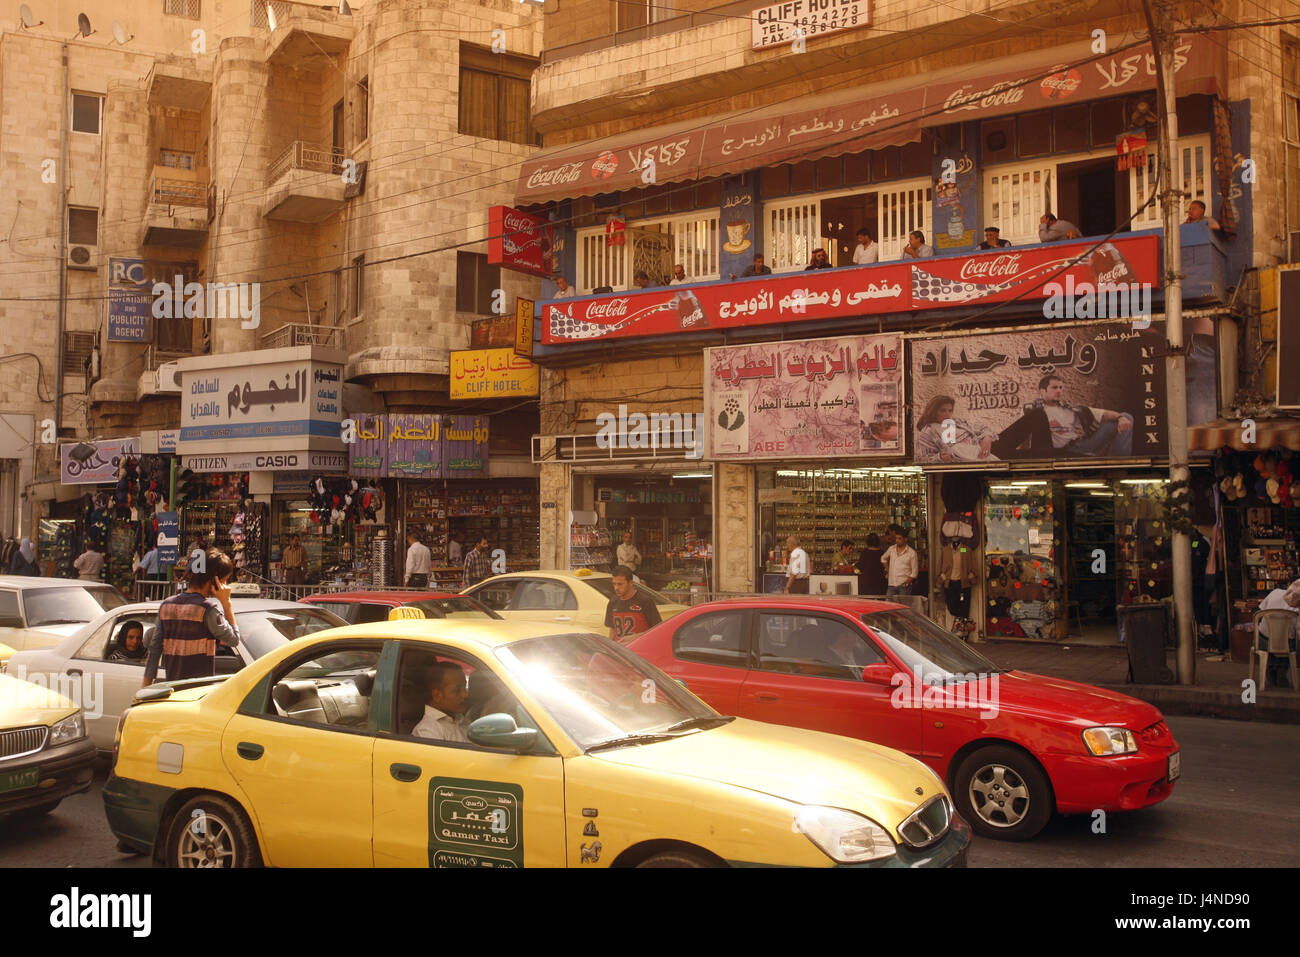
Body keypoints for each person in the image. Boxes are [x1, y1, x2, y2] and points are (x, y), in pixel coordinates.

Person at [142, 548, 240, 687]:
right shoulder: (207, 610)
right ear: (215, 580)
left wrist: (144, 689)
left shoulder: (166, 605)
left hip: (173, 691)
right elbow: (234, 640)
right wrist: (227, 603)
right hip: (198, 695)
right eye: (224, 580)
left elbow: (155, 650)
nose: (226, 585)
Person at [991, 373, 1133, 459]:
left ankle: (1119, 462)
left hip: (1082, 445)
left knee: (1126, 416)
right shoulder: (1033, 411)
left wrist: (1121, 418)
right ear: (1042, 391)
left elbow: (1106, 414)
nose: (1059, 391)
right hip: (1057, 451)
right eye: (1054, 387)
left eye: (1060, 388)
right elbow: (1024, 440)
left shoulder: (1073, 408)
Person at [916, 395, 996, 462]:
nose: (947, 414)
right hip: (958, 469)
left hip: (981, 460)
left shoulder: (959, 422)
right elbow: (921, 459)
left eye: (950, 410)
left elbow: (984, 429)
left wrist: (987, 439)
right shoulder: (927, 431)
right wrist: (940, 458)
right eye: (943, 410)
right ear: (933, 411)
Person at [412, 661, 470, 742]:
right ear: (437, 695)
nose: (465, 695)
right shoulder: (427, 731)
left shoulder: (462, 720)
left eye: (465, 687)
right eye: (457, 690)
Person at [604, 565, 662, 642]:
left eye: (620, 584)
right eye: (614, 584)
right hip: (620, 650)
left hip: (638, 649)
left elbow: (658, 629)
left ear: (631, 583)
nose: (616, 588)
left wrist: (636, 637)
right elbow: (612, 629)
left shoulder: (645, 601)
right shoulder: (613, 602)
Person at [882, 529, 918, 596]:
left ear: (905, 539)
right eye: (896, 538)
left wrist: (907, 582)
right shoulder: (891, 549)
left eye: (899, 538)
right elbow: (883, 559)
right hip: (892, 584)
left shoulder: (912, 553)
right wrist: (888, 570)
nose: (897, 541)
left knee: (903, 606)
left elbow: (914, 572)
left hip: (904, 586)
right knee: (889, 605)